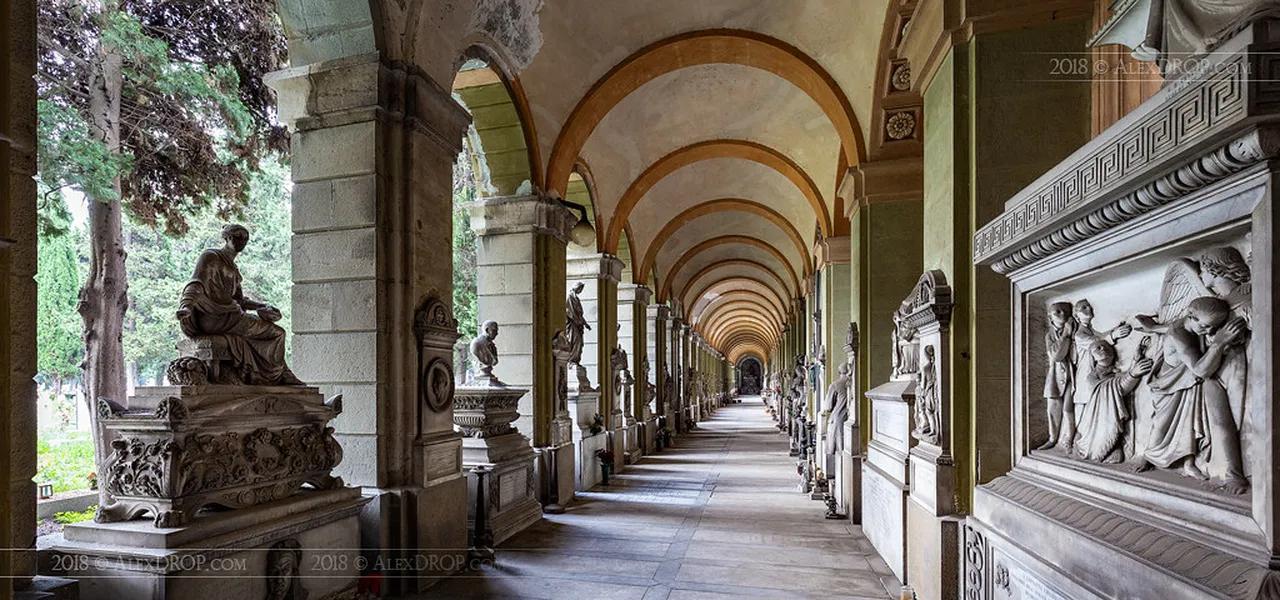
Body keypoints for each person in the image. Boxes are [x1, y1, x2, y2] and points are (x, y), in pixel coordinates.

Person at [1134, 297, 1248, 493]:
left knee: (1193, 425)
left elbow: (1169, 328)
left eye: (1213, 328)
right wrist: (1219, 342)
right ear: (1191, 316)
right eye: (1204, 326)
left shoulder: (1189, 325)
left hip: (1191, 381)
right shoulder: (1178, 334)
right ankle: (1149, 455)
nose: (1209, 331)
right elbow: (1200, 370)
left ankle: (1192, 465)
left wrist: (1154, 327)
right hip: (1171, 384)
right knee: (1162, 425)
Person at [177, 224, 301, 385]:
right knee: (277, 333)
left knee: (272, 331)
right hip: (216, 318)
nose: (242, 241)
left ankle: (260, 374)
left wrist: (261, 306)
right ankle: (278, 375)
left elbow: (240, 300)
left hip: (231, 317)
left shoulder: (233, 267)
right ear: (227, 238)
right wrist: (186, 306)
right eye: (237, 237)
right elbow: (196, 284)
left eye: (245, 238)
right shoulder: (211, 257)